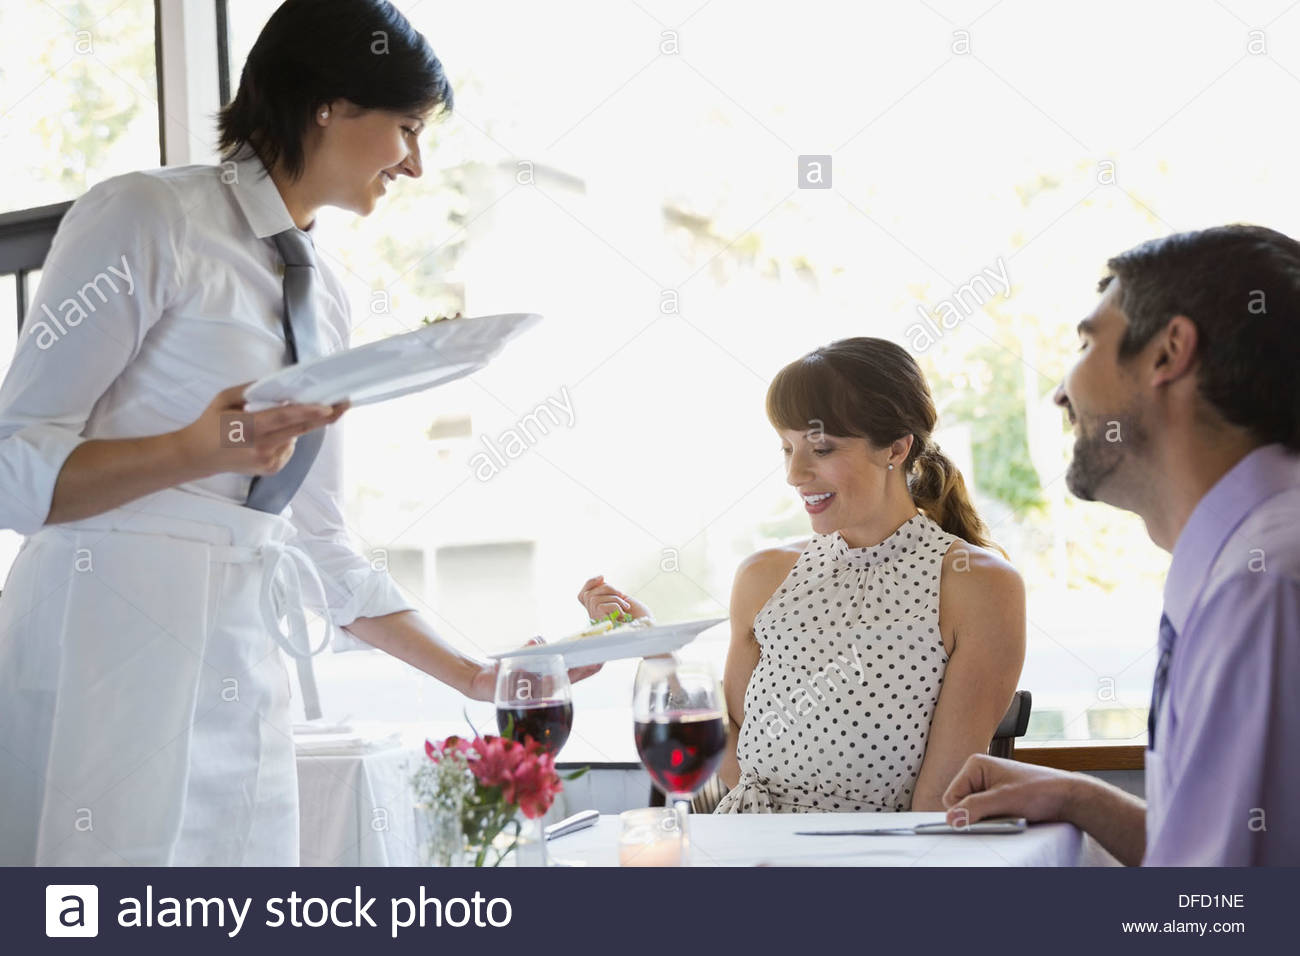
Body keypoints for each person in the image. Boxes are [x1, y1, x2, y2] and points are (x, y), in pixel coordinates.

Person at [0, 0, 593, 867]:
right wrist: (196, 451)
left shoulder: (327, 292)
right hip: (107, 636)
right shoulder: (146, 217)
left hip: (242, 653)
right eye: (407, 128)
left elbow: (317, 542)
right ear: (329, 103)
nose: (416, 164)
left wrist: (479, 675)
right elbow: (11, 462)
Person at [942, 225, 1300, 866]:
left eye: (1085, 343)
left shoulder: (1261, 586)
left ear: (1168, 353)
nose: (1059, 392)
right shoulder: (1252, 558)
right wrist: (1080, 798)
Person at [579, 337, 1025, 812]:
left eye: (822, 449)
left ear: (895, 448)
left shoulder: (978, 586)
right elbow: (736, 764)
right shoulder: (763, 577)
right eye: (787, 448)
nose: (795, 473)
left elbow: (936, 809)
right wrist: (657, 651)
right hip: (748, 849)